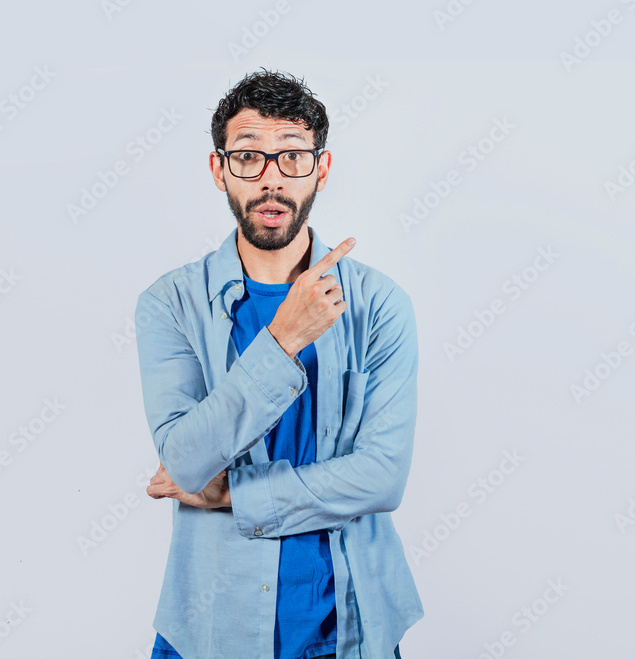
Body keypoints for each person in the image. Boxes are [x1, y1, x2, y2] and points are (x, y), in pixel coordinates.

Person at [135, 69, 421, 659]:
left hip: (350, 624)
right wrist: (283, 342)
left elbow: (382, 477)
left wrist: (232, 494)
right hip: (211, 627)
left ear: (322, 166)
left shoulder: (380, 305)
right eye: (248, 158)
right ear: (220, 171)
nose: (271, 180)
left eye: (292, 157)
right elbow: (185, 461)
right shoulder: (169, 304)